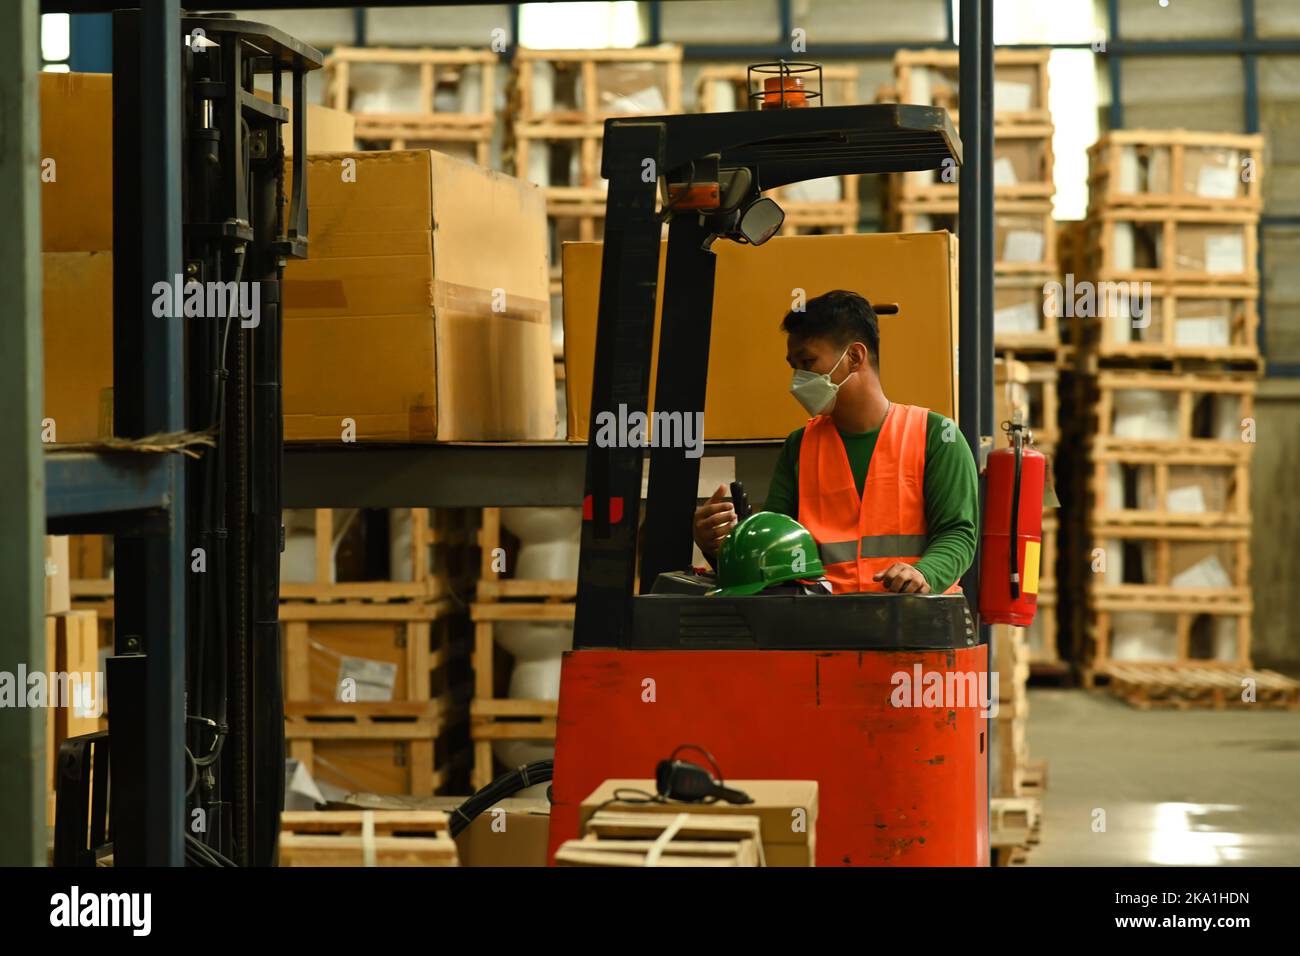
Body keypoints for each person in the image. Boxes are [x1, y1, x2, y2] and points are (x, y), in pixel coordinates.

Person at [693, 289, 978, 594]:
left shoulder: (936, 436)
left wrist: (924, 574)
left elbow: (958, 533)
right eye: (794, 365)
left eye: (807, 361)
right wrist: (716, 544)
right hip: (825, 629)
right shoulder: (800, 446)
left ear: (854, 357)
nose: (797, 378)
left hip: (911, 625)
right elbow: (772, 552)